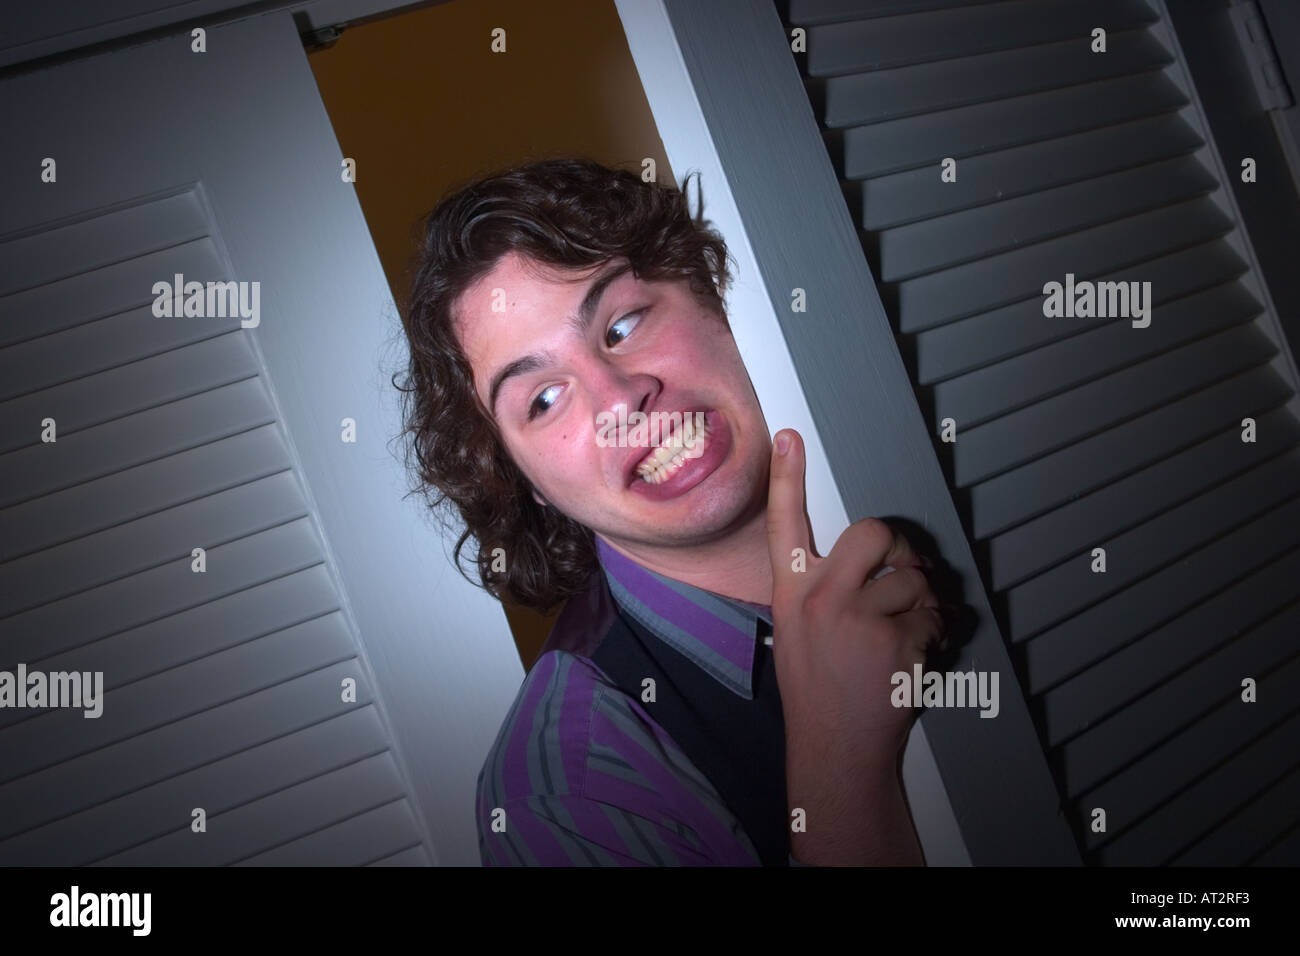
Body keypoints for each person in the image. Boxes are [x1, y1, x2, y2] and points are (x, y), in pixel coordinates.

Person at [397, 157, 949, 866]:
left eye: (622, 325)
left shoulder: (916, 437)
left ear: (712, 299)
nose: (620, 401)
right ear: (522, 479)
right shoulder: (565, 799)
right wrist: (841, 767)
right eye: (542, 400)